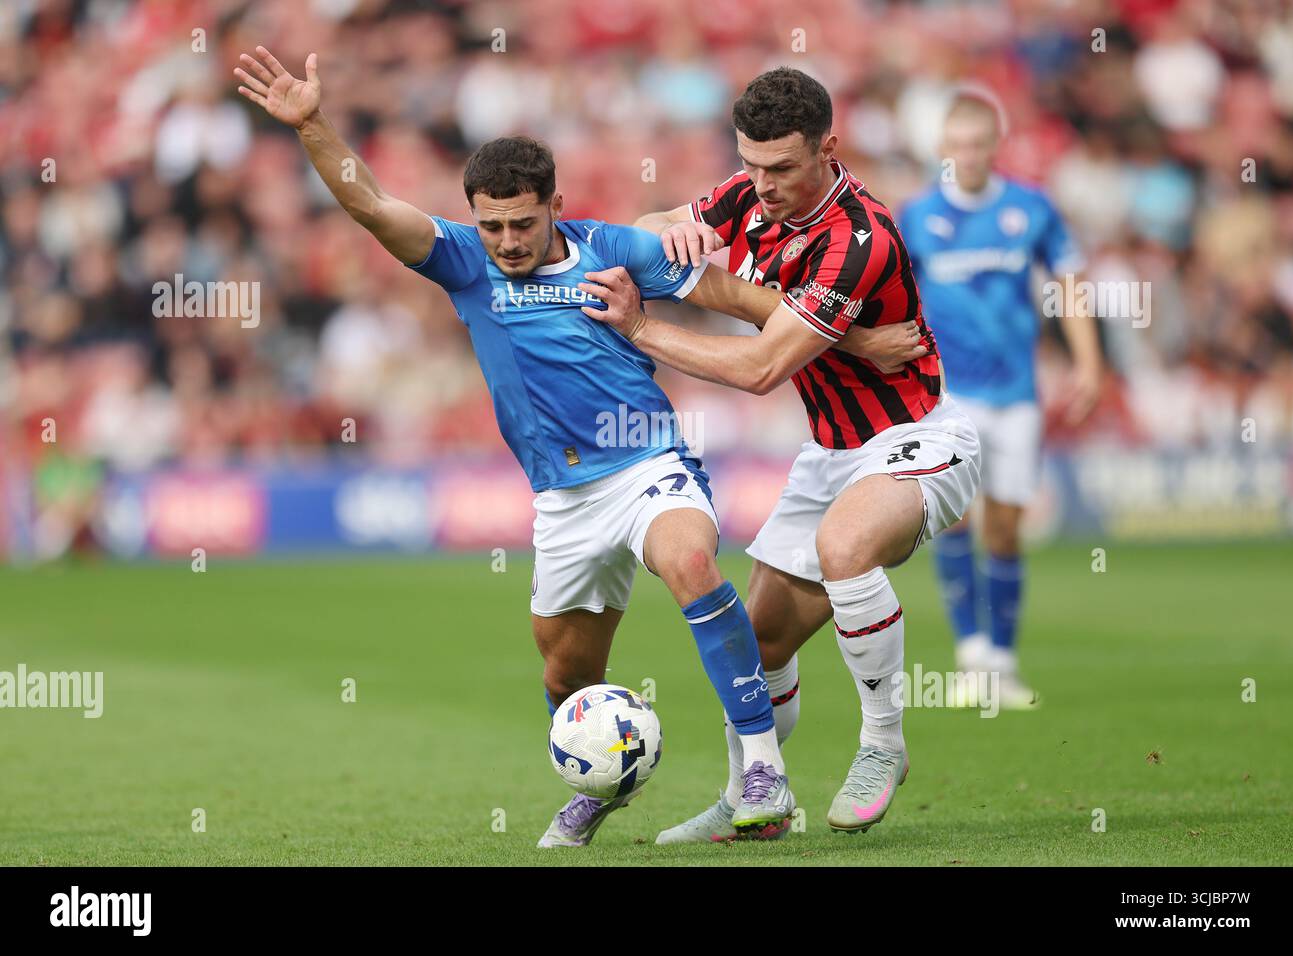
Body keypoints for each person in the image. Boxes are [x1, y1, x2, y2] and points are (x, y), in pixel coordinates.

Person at [233, 48, 919, 846]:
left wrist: (858, 337)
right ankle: (600, 780)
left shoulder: (614, 249)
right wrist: (313, 126)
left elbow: (737, 296)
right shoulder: (463, 262)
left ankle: (762, 770)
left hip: (648, 463)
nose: (508, 240)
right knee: (565, 675)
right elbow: (372, 207)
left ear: (555, 205)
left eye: (523, 221)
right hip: (561, 500)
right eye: (491, 224)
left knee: (693, 564)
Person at [584, 67, 980, 842]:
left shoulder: (859, 238)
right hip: (829, 450)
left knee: (845, 547)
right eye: (751, 165)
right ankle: (751, 803)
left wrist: (643, 329)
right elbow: (647, 229)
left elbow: (763, 368)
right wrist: (675, 227)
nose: (760, 186)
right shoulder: (750, 191)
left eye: (781, 168)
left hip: (915, 439)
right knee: (757, 644)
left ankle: (882, 744)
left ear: (828, 149)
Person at [897, 89, 1102, 708]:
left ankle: (1004, 663)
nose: (968, 155)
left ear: (995, 146)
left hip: (1016, 392)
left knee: (1007, 526)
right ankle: (972, 658)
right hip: (949, 394)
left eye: (978, 144)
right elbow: (895, 298)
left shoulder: (1030, 209)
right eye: (957, 145)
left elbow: (1070, 284)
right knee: (954, 518)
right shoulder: (915, 216)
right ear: (941, 150)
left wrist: (1088, 362)